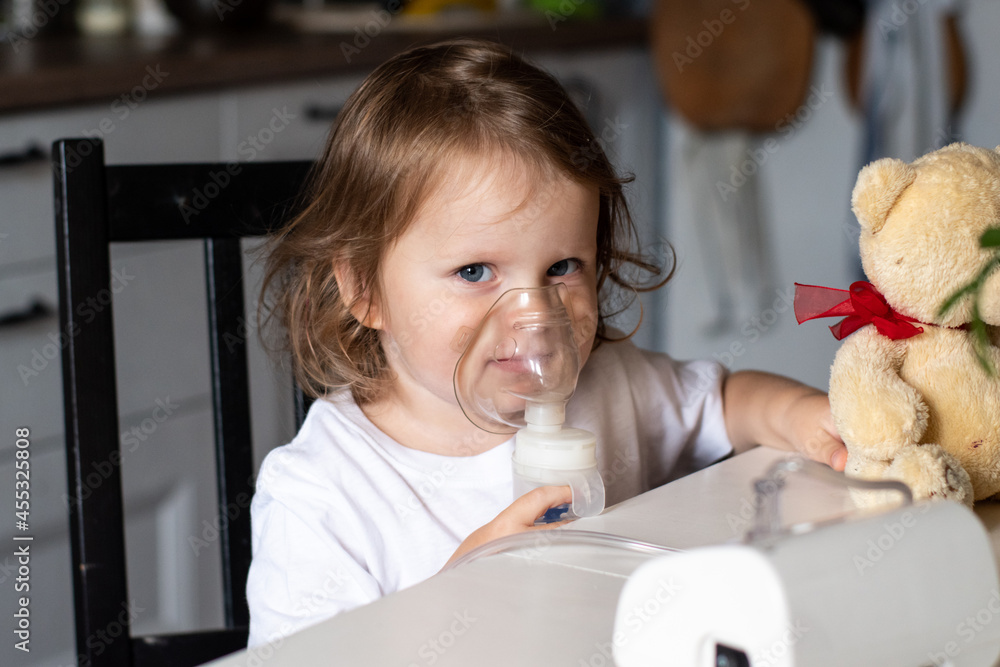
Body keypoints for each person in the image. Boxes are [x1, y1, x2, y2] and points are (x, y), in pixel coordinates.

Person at [246, 38, 846, 649]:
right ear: (364, 289)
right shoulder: (323, 494)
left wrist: (804, 417)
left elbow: (724, 402)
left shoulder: (612, 387)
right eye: (476, 272)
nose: (535, 314)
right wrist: (455, 598)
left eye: (562, 267)